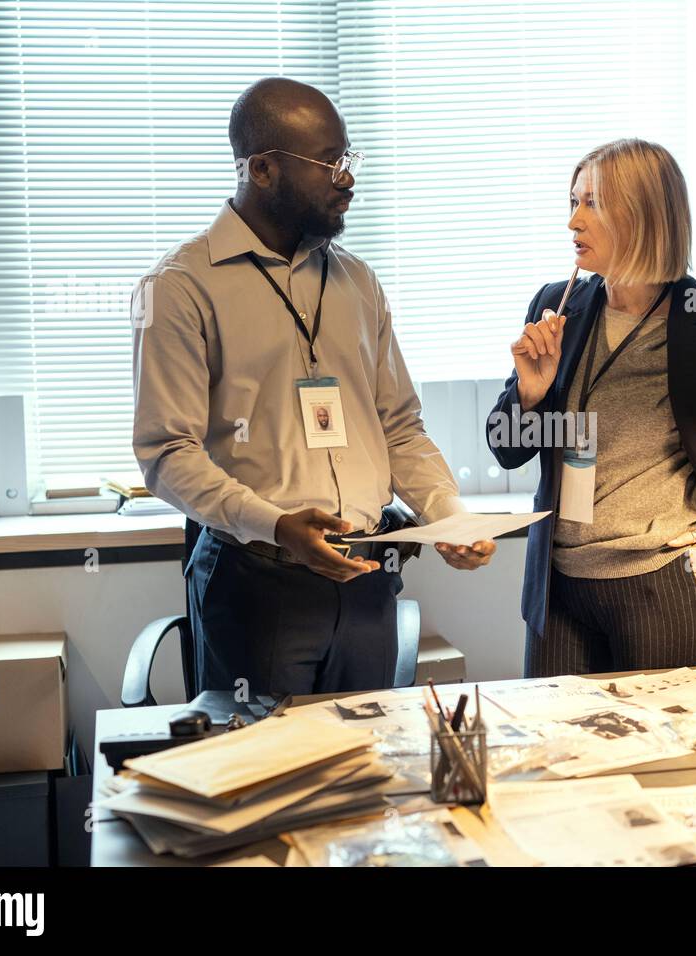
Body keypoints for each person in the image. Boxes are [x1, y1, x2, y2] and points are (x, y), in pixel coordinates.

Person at [132, 78, 495, 697]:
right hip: (256, 583)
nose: (348, 179)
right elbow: (168, 455)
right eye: (331, 162)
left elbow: (400, 427)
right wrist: (277, 526)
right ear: (264, 168)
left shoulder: (358, 282)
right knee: (266, 782)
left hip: (366, 579)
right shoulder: (179, 286)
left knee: (366, 772)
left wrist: (447, 516)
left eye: (349, 160)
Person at [485, 139, 696, 677]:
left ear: (643, 215)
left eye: (592, 203)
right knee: (560, 755)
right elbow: (506, 452)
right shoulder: (557, 305)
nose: (573, 221)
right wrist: (529, 396)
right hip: (558, 588)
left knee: (663, 753)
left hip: (662, 582)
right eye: (572, 201)